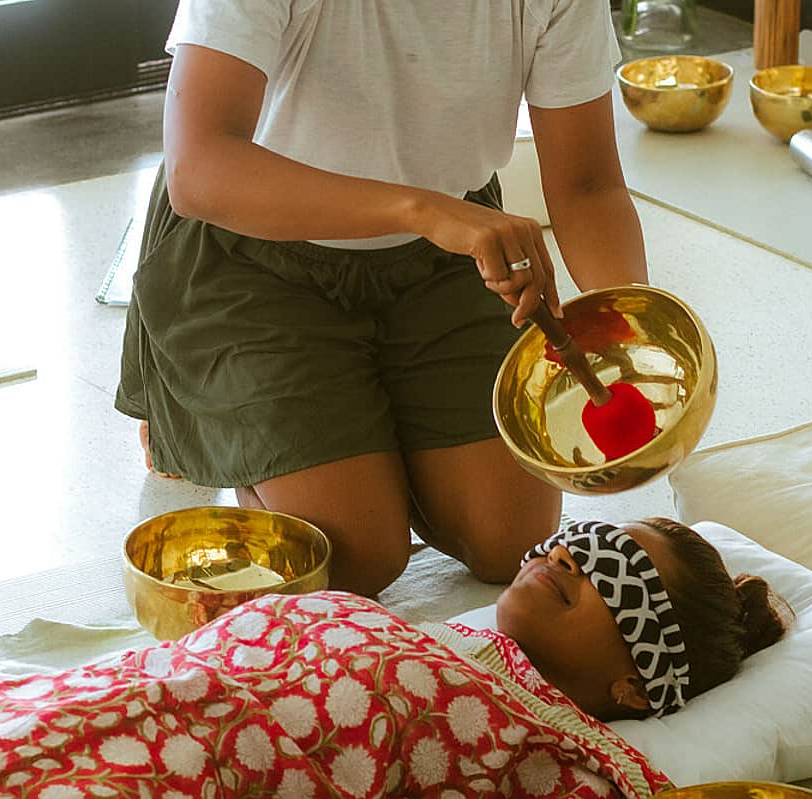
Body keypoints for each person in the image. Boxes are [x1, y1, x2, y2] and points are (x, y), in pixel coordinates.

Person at [116, 0, 652, 597]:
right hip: (253, 250)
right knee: (355, 558)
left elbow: (588, 184)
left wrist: (627, 322)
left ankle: (367, 425)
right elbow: (201, 169)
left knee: (512, 542)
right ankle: (194, 406)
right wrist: (420, 209)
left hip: (445, 256)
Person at [0, 519, 791, 797]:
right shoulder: (452, 636)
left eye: (612, 576)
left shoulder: (565, 755)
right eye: (580, 536)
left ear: (635, 679)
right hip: (131, 694)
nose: (566, 556)